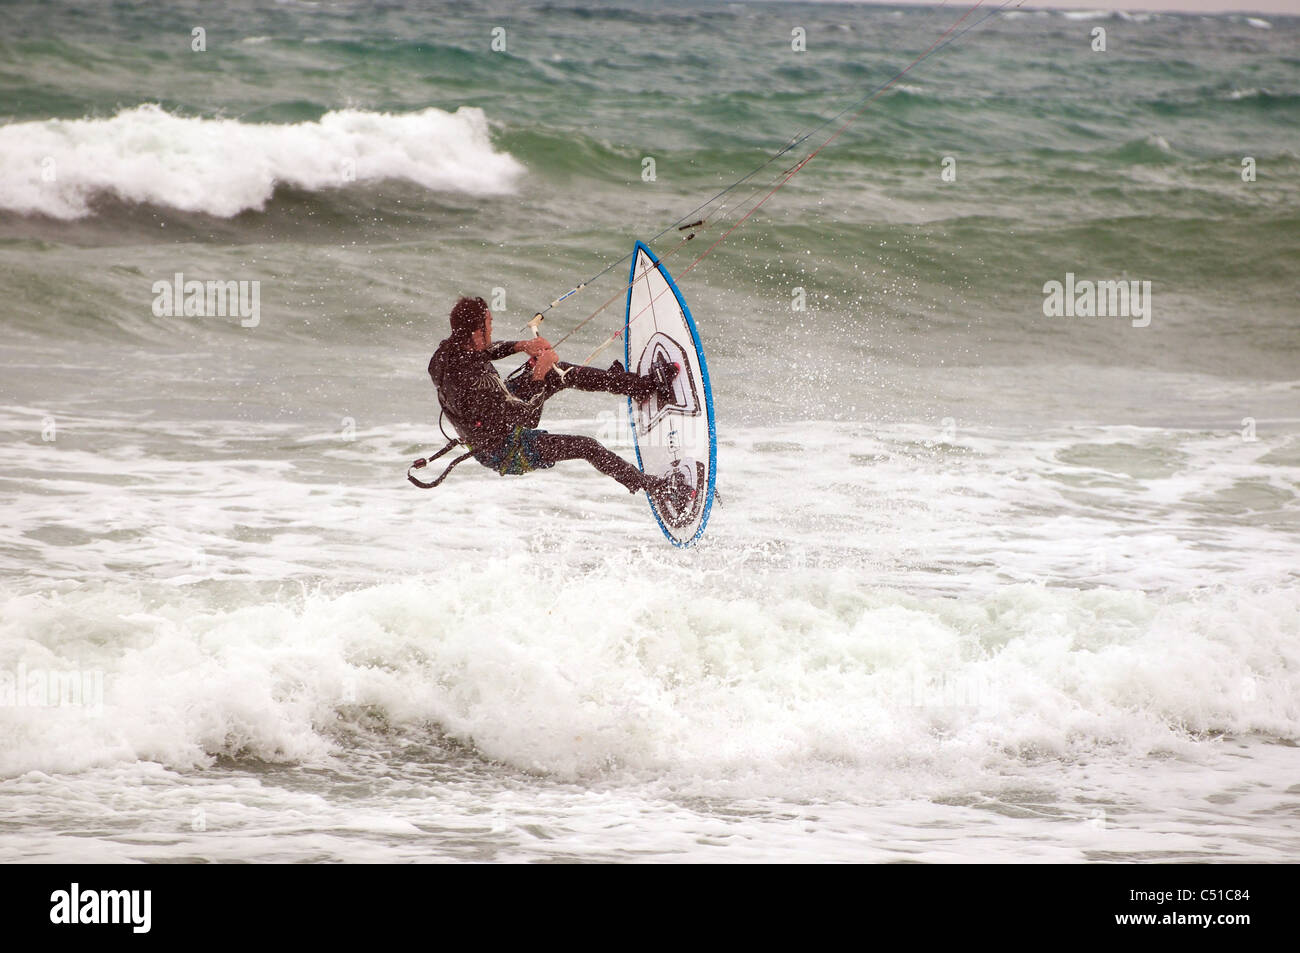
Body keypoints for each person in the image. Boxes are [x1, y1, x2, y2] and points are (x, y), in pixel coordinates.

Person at [428, 295, 693, 509]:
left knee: (560, 372)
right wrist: (539, 373)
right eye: (489, 325)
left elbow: (482, 352)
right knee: (587, 446)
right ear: (475, 334)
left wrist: (521, 346)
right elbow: (529, 418)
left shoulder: (445, 354)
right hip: (505, 448)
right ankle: (658, 489)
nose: (492, 328)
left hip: (492, 416)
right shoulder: (480, 383)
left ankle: (639, 387)